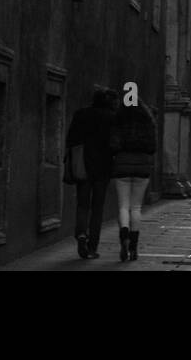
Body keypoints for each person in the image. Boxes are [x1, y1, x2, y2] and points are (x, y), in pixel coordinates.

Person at [66, 88, 118, 259]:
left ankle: (81, 233)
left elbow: (71, 140)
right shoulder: (112, 118)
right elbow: (115, 143)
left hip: (83, 165)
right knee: (97, 208)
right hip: (103, 168)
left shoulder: (81, 114)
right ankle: (92, 247)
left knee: (82, 204)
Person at [110, 96, 157, 262]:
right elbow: (153, 147)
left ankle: (124, 237)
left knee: (123, 206)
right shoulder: (147, 120)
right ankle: (133, 247)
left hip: (122, 164)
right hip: (142, 166)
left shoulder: (118, 119)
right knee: (136, 207)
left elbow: (113, 145)